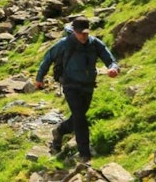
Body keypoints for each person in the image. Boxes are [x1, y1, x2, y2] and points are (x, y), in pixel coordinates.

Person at [34, 16, 120, 162]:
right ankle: (85, 154)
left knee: (77, 117)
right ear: (74, 31)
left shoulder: (94, 43)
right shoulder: (64, 44)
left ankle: (59, 131)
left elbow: (110, 59)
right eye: (80, 33)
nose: (83, 36)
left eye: (86, 33)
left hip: (88, 86)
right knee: (80, 117)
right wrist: (39, 78)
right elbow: (47, 58)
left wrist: (113, 68)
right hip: (70, 85)